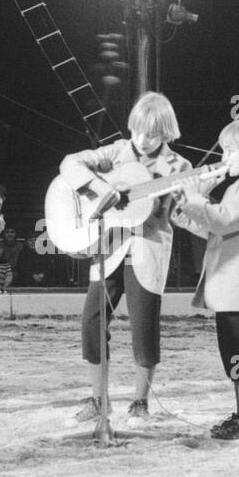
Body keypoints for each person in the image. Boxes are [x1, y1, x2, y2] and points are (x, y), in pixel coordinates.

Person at [58, 91, 192, 425]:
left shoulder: (179, 167)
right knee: (91, 322)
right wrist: (101, 189)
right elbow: (69, 163)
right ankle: (99, 400)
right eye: (138, 132)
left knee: (143, 327)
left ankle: (140, 403)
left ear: (167, 134)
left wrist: (184, 202)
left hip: (147, 249)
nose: (144, 140)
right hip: (109, 247)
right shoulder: (116, 151)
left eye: (153, 134)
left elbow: (184, 215)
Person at [171, 116, 239, 440]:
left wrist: (196, 198)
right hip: (228, 284)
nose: (224, 158)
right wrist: (184, 210)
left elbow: (222, 220)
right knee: (232, 352)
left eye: (230, 150)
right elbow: (212, 227)